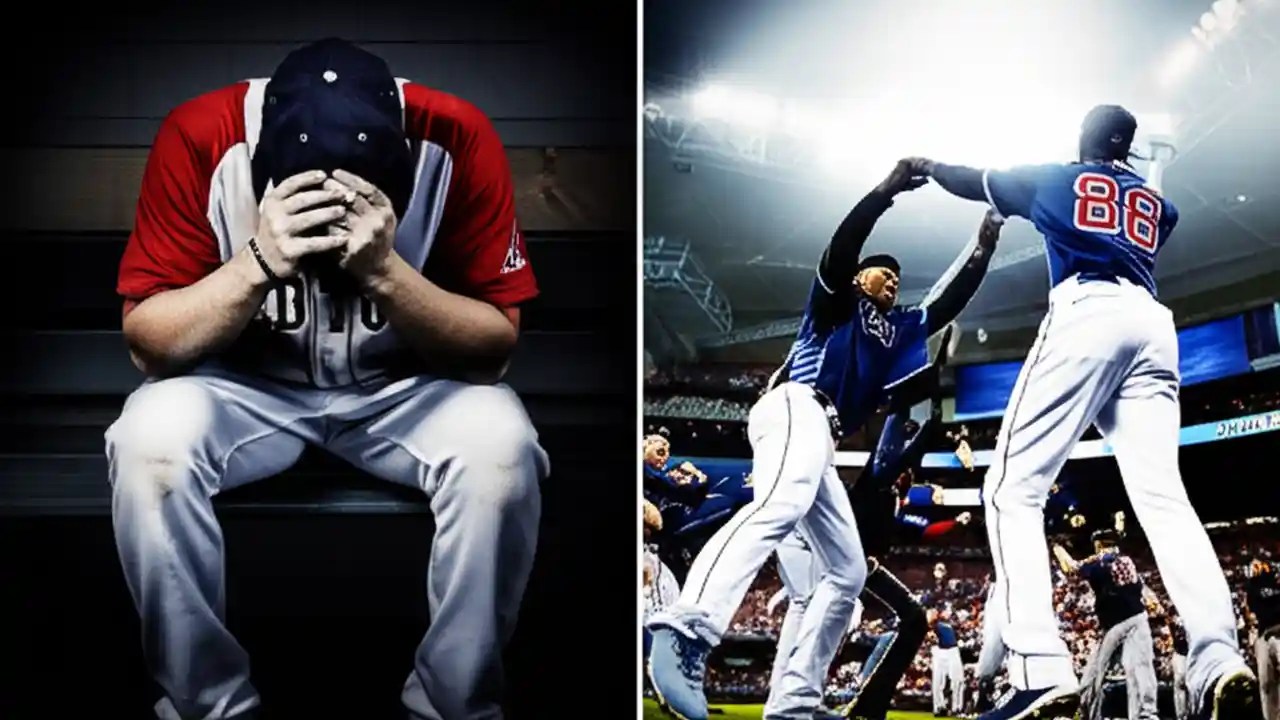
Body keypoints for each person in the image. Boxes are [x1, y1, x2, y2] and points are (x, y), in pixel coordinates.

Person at [108, 38, 546, 720]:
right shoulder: (204, 132)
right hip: (247, 388)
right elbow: (149, 347)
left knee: (504, 449)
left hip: (404, 392)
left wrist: (385, 272)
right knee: (148, 442)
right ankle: (208, 706)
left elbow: (493, 350)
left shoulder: (454, 132)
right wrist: (257, 260)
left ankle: (453, 705)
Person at [908, 104, 1261, 720]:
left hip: (1088, 310)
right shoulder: (1155, 203)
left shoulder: (1057, 177)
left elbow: (975, 179)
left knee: (1009, 490)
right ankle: (1219, 660)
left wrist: (929, 166)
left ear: (1081, 141)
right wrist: (1146, 167)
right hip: (1153, 326)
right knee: (1165, 501)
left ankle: (1038, 671)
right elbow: (1156, 204)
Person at [646, 158, 1004, 720]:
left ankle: (794, 702)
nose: (887, 275)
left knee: (847, 571)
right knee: (779, 506)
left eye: (894, 273)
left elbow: (944, 303)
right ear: (860, 279)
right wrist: (881, 193)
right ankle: (687, 630)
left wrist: (981, 248)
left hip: (822, 434)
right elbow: (844, 248)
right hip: (795, 405)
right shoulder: (837, 304)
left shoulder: (899, 328)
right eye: (877, 270)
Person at [1053, 529, 1159, 720]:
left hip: (1114, 625)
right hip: (1138, 617)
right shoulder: (1126, 559)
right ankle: (1146, 715)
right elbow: (1141, 587)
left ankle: (1086, 712)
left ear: (1098, 544)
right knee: (1140, 670)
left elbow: (1070, 568)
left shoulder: (1099, 561)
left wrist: (1056, 547)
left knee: (1094, 675)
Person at [1245, 559, 1280, 720]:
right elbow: (1250, 611)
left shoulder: (1276, 579)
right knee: (1265, 683)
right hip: (1263, 634)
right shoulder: (1252, 586)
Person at [929, 608, 965, 716]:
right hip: (939, 650)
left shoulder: (950, 623)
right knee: (938, 681)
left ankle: (957, 708)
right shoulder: (935, 624)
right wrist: (932, 615)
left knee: (958, 680)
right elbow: (929, 622)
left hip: (953, 650)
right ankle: (939, 708)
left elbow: (960, 628)